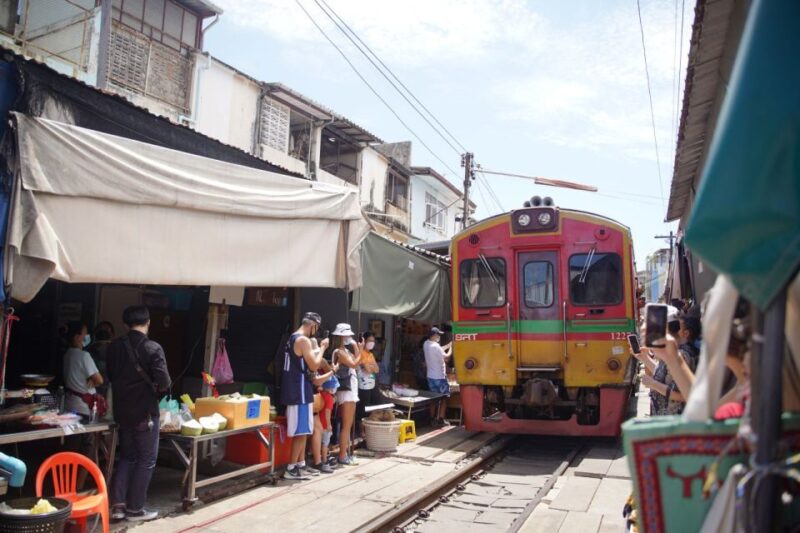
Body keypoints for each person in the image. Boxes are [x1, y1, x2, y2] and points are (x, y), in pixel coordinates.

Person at [107, 306, 171, 522]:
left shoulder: (114, 347)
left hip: (122, 412)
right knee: (146, 460)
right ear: (148, 322)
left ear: (125, 324)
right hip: (145, 414)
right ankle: (135, 509)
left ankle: (117, 507)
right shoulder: (153, 348)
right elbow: (165, 382)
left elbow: (110, 375)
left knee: (126, 456)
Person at [280, 312, 328, 480]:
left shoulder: (293, 337)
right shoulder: (303, 340)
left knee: (304, 430)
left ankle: (300, 465)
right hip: (298, 390)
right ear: (312, 325)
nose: (316, 331)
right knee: (301, 432)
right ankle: (291, 468)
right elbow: (314, 365)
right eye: (316, 327)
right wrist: (322, 347)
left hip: (297, 389)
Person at [331, 323, 362, 466]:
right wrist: (359, 348)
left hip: (350, 389)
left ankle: (345, 454)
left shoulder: (344, 351)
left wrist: (357, 348)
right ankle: (343, 455)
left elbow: (357, 361)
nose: (350, 337)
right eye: (348, 335)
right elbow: (355, 364)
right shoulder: (339, 352)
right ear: (342, 336)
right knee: (347, 425)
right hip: (346, 390)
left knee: (348, 424)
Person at [63, 321, 104, 419]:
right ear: (77, 337)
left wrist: (90, 378)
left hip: (70, 404)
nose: (87, 336)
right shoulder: (84, 355)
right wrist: (93, 380)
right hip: (84, 407)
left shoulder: (67, 354)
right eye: (85, 334)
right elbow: (99, 380)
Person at [308, 354, 335, 474]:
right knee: (316, 431)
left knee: (314, 432)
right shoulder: (312, 365)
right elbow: (317, 381)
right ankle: (318, 461)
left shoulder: (315, 366)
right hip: (310, 403)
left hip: (313, 404)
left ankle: (317, 460)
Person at [424, 327, 452, 426]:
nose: (439, 336)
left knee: (433, 398)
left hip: (430, 377)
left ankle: (432, 419)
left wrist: (448, 345)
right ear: (434, 335)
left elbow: (439, 349)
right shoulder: (436, 346)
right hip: (440, 377)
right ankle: (440, 419)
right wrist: (451, 348)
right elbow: (447, 358)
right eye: (438, 335)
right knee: (444, 398)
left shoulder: (426, 344)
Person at [356, 332, 381, 437]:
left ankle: (370, 428)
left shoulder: (370, 354)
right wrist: (370, 366)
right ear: (364, 341)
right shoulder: (360, 353)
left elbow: (376, 369)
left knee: (375, 404)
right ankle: (362, 431)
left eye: (373, 341)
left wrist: (370, 366)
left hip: (372, 383)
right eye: (370, 340)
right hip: (363, 385)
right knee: (363, 408)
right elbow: (368, 369)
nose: (372, 343)